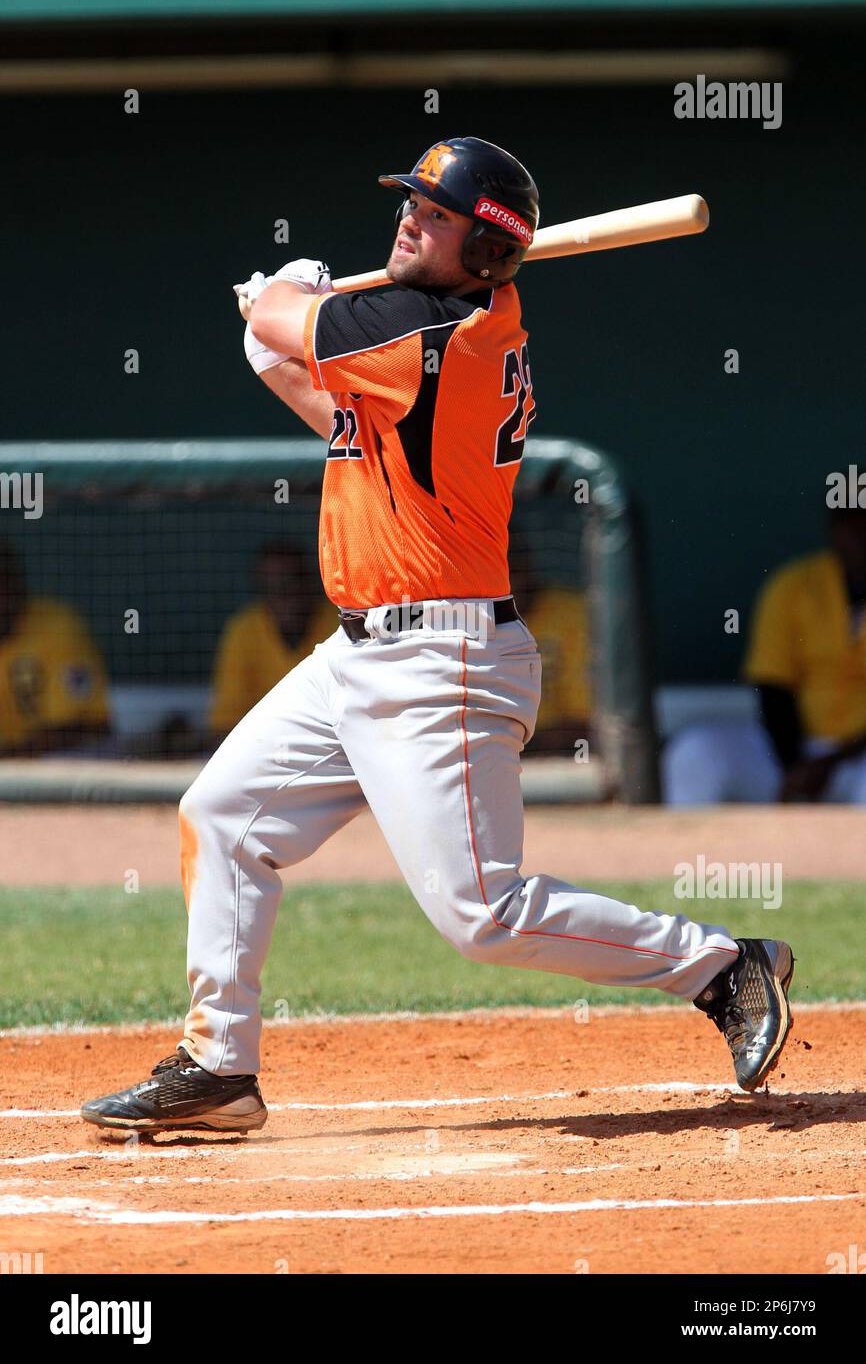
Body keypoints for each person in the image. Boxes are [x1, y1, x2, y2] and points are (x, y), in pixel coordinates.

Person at [81, 137, 794, 1135]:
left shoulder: (434, 332)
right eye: (411, 202)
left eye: (436, 212)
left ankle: (723, 966)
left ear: (487, 249)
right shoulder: (421, 327)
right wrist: (277, 346)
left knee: (481, 915)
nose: (409, 219)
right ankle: (217, 1067)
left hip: (439, 664)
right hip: (357, 654)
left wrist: (275, 300)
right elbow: (340, 416)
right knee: (224, 817)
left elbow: (289, 319)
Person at [663, 504, 866, 804]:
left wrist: (831, 763)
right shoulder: (795, 585)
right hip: (793, 750)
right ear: (834, 530)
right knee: (695, 753)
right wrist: (795, 767)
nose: (860, 538)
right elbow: (773, 687)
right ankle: (680, 850)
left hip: (858, 757)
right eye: (851, 526)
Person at [209, 541, 335, 738]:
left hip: (334, 744)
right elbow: (225, 723)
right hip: (264, 747)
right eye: (271, 587)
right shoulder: (244, 630)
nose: (283, 595)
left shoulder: (341, 624)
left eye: (291, 583)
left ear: (309, 583)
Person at [0, 540, 109, 757]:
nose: (6, 599)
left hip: (70, 763)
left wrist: (9, 757)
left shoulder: (56, 627)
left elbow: (82, 727)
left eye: (6, 583)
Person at [507, 538, 592, 755]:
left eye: (512, 570)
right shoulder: (461, 621)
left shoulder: (572, 613)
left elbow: (587, 724)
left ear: (526, 568)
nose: (504, 583)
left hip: (563, 760)